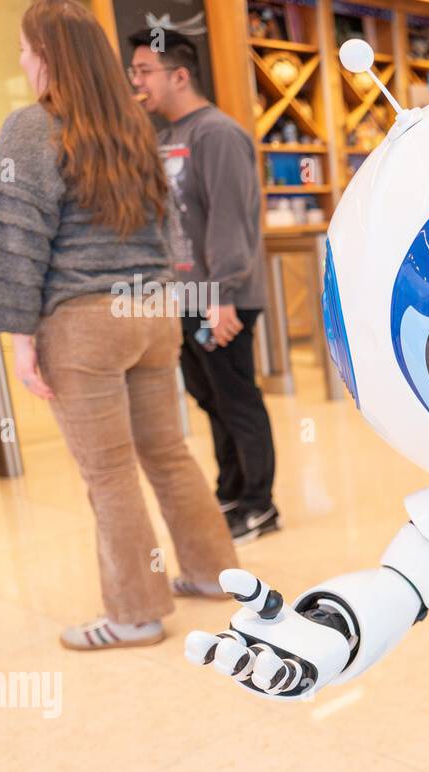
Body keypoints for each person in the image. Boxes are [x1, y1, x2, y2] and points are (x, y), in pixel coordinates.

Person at [0, 0, 237, 649]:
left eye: (25, 49)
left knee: (108, 472)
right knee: (168, 453)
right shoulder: (136, 128)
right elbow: (167, 226)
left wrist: (19, 339)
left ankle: (135, 612)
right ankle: (215, 574)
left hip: (84, 321)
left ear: (49, 57)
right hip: (151, 310)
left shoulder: (29, 129)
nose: (20, 60)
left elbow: (18, 241)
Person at [128, 28, 280, 543]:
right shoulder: (162, 136)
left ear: (180, 75)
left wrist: (224, 296)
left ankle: (261, 505)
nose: (137, 82)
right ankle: (232, 491)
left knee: (237, 397)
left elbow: (229, 224)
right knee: (209, 396)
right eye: (134, 72)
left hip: (222, 296)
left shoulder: (216, 134)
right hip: (186, 295)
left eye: (144, 71)